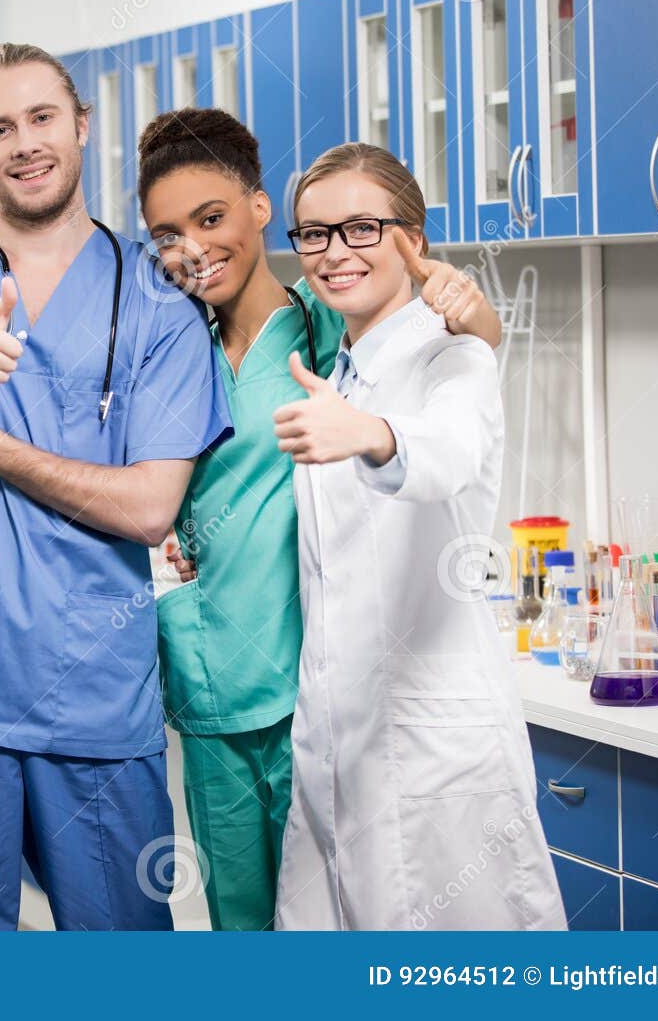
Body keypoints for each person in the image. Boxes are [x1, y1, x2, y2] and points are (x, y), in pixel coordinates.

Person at [0, 42, 231, 930]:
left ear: (81, 126)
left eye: (40, 119)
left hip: (94, 698)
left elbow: (149, 507)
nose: (24, 142)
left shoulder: (160, 302)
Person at [133, 109, 502, 931]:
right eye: (167, 233)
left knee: (349, 917)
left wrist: (470, 308)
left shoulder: (325, 315)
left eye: (211, 218)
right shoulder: (161, 341)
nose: (192, 248)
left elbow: (448, 367)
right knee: (246, 925)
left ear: (261, 210)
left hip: (322, 684)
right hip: (210, 681)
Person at [269, 141, 564, 930]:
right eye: (314, 233)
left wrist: (372, 435)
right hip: (339, 745)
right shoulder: (338, 369)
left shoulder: (454, 358)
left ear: (415, 239)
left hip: (437, 755)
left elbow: (450, 452)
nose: (335, 252)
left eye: (362, 228)